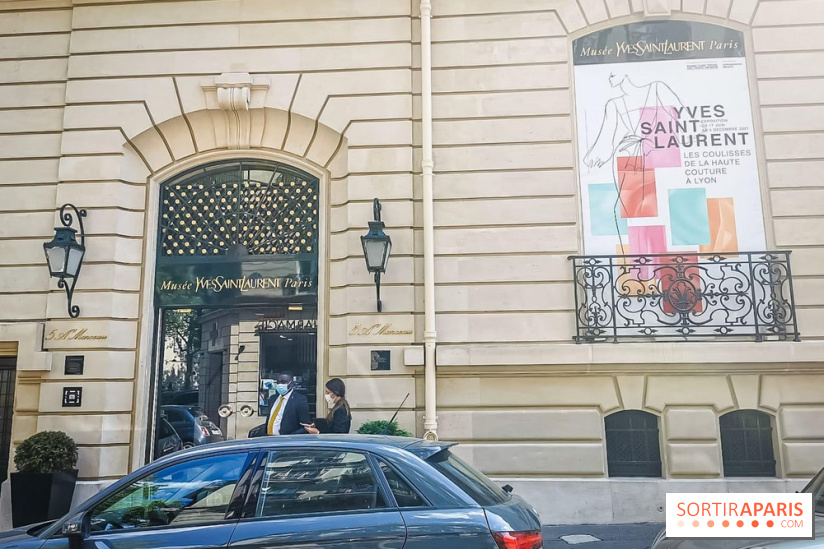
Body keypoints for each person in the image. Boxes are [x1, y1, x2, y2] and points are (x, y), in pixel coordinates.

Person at [253, 372, 310, 437]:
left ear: (291, 384)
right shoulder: (273, 398)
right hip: (269, 438)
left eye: (283, 382)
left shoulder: (299, 400)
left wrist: (289, 437)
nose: (280, 384)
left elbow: (305, 426)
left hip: (286, 440)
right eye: (278, 382)